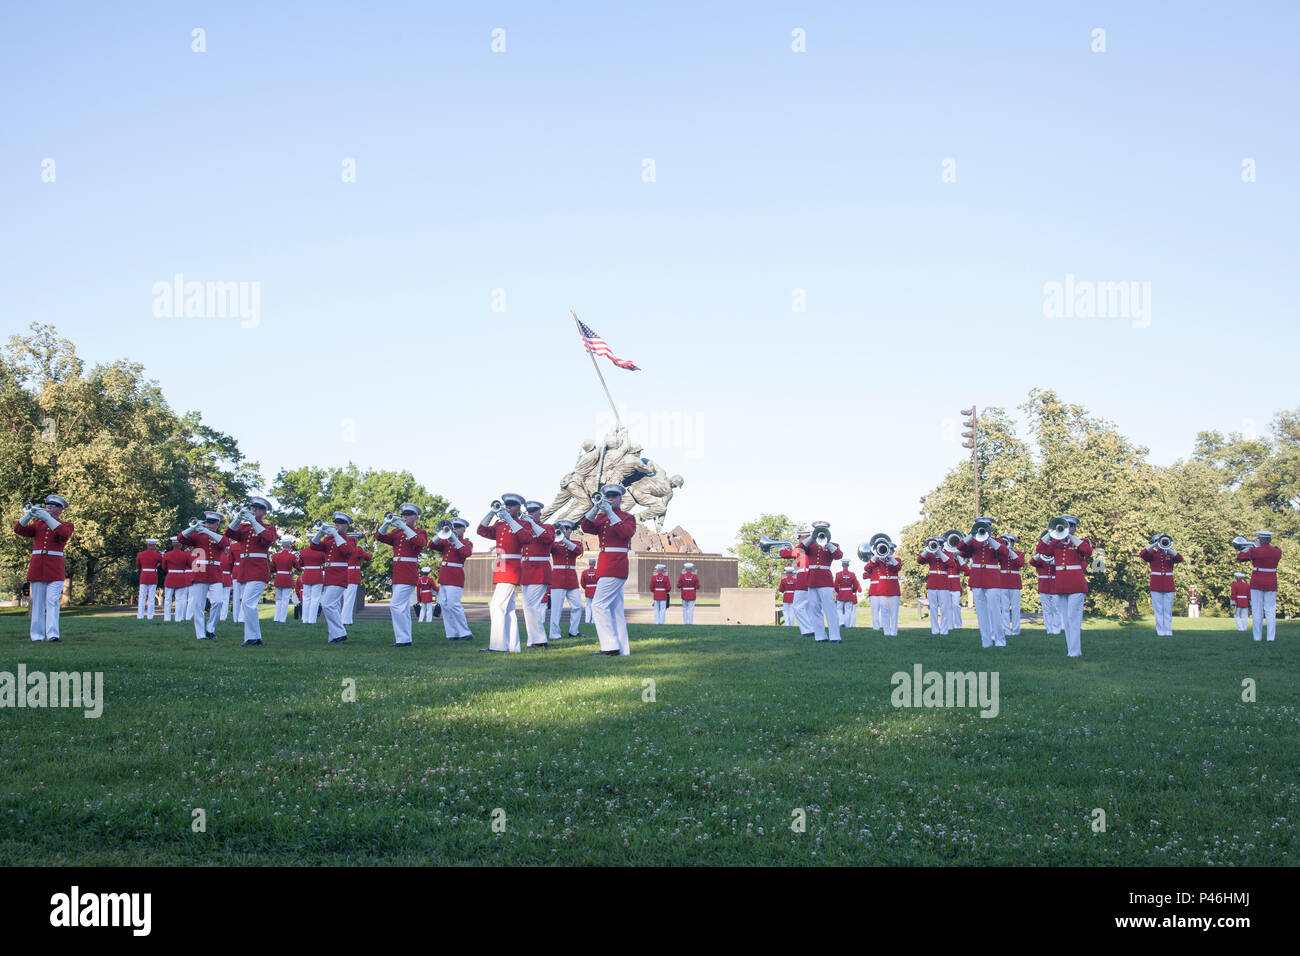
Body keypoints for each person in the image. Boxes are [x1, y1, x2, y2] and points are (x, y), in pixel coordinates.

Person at [580, 483, 636, 655]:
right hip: (606, 565)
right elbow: (586, 527)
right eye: (608, 496)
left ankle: (610, 646)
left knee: (598, 605)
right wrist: (595, 507)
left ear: (620, 498)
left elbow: (625, 533)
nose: (610, 499)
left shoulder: (627, 517)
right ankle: (622, 649)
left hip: (615, 565)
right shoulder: (602, 517)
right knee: (615, 610)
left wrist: (609, 511)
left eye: (613, 496)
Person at [13, 496, 74, 643]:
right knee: (38, 603)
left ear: (60, 509)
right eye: (48, 505)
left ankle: (53, 634)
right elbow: (19, 529)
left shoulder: (66, 525)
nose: (49, 508)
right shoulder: (38, 525)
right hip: (38, 567)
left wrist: (46, 517)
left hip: (55, 568)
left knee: (52, 601)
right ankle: (37, 636)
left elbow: (63, 534)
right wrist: (29, 514)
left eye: (53, 506)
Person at [479, 494, 533, 653]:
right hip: (502, 566)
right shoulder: (499, 524)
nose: (508, 507)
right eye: (506, 505)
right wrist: (491, 513)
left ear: (519, 508)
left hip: (512, 567)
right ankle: (512, 646)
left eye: (512, 505)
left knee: (497, 605)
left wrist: (510, 520)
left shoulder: (523, 523)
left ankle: (498, 645)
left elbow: (526, 538)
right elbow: (481, 530)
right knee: (508, 609)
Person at [1037, 516, 1092, 657]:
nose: (1068, 528)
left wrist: (1071, 537)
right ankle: (1072, 650)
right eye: (1065, 526)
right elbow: (1040, 548)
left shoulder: (1080, 542)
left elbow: (1087, 551)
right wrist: (1051, 533)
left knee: (1074, 618)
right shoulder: (1056, 543)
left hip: (1076, 584)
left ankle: (1074, 651)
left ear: (1074, 528)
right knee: (1066, 620)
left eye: (1070, 526)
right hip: (1061, 584)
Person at [227, 497, 278, 646]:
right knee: (247, 604)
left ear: (264, 512)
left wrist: (253, 520)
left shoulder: (268, 527)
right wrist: (238, 517)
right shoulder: (244, 528)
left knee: (248, 603)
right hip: (244, 569)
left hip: (258, 569)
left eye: (257, 509)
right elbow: (229, 533)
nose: (253, 510)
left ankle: (253, 637)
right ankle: (253, 637)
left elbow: (268, 538)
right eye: (252, 508)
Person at [377, 505, 427, 647]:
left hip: (408, 572)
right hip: (398, 572)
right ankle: (405, 639)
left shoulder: (420, 532)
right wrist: (387, 522)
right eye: (404, 514)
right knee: (402, 608)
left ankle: (403, 639)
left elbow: (420, 543)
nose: (405, 516)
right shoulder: (396, 533)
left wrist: (404, 527)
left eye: (409, 514)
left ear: (416, 517)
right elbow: (379, 536)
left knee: (395, 605)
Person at [179, 512, 231, 640]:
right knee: (198, 605)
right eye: (207, 522)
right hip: (200, 570)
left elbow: (225, 543)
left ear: (217, 524)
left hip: (215, 572)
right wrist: (193, 527)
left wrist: (207, 532)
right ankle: (200, 634)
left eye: (212, 522)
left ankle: (210, 628)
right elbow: (181, 538)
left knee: (218, 601)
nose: (209, 525)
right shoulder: (197, 536)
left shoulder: (219, 536)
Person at [310, 513, 358, 644]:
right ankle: (333, 636)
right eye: (336, 523)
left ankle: (340, 633)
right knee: (333, 606)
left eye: (341, 523)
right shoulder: (328, 540)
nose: (337, 525)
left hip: (339, 574)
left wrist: (336, 534)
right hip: (329, 575)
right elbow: (313, 546)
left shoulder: (350, 540)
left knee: (327, 604)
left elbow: (347, 551)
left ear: (346, 526)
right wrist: (320, 532)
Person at [959, 518, 1006, 648]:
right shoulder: (973, 542)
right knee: (981, 612)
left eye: (987, 526)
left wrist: (989, 539)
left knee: (995, 610)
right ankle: (986, 641)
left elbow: (1004, 552)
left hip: (992, 579)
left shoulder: (998, 541)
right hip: (977, 578)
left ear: (991, 527)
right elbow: (960, 548)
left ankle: (1000, 640)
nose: (984, 528)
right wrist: (972, 534)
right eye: (981, 526)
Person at [429, 518, 473, 640]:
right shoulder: (445, 541)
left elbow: (466, 552)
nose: (455, 529)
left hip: (455, 575)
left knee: (454, 605)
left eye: (458, 527)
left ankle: (465, 632)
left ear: (464, 529)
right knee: (444, 605)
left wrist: (454, 538)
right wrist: (441, 533)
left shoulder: (466, 542)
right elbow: (431, 544)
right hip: (444, 575)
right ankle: (452, 633)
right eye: (453, 527)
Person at [519, 501, 555, 648]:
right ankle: (534, 640)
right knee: (528, 607)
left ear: (540, 513)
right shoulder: (524, 529)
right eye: (530, 511)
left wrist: (532, 524)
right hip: (526, 570)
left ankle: (539, 639)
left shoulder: (547, 527)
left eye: (535, 512)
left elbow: (548, 539)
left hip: (540, 570)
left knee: (530, 606)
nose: (532, 514)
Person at [801, 523, 843, 643]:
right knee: (814, 608)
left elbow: (838, 555)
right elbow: (800, 548)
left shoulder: (833, 545)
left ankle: (835, 636)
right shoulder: (811, 544)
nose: (820, 532)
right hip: (812, 578)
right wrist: (811, 537)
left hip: (825, 579)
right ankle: (820, 636)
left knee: (830, 609)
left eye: (822, 530)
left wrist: (827, 543)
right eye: (817, 530)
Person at [1237, 531, 1280, 642]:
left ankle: (1257, 637)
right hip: (1271, 583)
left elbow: (1240, 557)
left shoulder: (1255, 551)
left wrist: (1247, 547)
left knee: (1257, 611)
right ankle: (1271, 638)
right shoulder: (1277, 551)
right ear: (1269, 540)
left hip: (1257, 582)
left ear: (1260, 540)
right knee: (1270, 611)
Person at [548, 519, 586, 641]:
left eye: (568, 529)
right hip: (558, 578)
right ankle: (554, 633)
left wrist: (564, 540)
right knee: (556, 609)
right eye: (564, 529)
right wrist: (556, 537)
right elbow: (547, 548)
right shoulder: (554, 543)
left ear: (570, 531)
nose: (566, 532)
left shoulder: (575, 543)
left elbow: (578, 551)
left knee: (578, 606)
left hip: (571, 579)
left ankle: (573, 631)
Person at [1139, 535, 1183, 636]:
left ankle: (1168, 630)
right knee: (1158, 609)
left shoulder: (1170, 554)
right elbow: (1142, 554)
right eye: (1159, 542)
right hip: (1156, 584)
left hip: (1168, 584)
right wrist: (1155, 544)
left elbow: (1180, 558)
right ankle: (1160, 631)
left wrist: (1169, 548)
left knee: (1167, 609)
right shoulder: (1153, 554)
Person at [777, 535, 814, 637]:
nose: (799, 541)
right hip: (813, 576)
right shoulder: (814, 547)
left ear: (803, 538)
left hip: (803, 577)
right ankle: (813, 628)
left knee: (797, 607)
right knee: (809, 607)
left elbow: (784, 554)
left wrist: (781, 548)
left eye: (800, 538)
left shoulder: (801, 549)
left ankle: (808, 630)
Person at [863, 541, 902, 636]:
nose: (890, 551)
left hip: (894, 588)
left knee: (894, 612)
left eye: (891, 549)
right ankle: (887, 631)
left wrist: (890, 557)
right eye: (889, 549)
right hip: (883, 587)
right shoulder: (878, 561)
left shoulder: (896, 559)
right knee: (884, 611)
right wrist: (876, 555)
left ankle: (894, 632)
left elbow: (898, 567)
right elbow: (867, 568)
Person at [917, 539, 953, 635]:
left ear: (942, 545)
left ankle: (944, 630)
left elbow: (951, 564)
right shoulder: (930, 554)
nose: (937, 546)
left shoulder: (947, 554)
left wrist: (940, 553)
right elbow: (919, 560)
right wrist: (928, 549)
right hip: (932, 583)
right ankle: (935, 629)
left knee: (944, 608)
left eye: (939, 544)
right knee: (933, 608)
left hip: (943, 583)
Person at [342, 534, 372, 627]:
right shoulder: (357, 549)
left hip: (343, 574)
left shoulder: (343, 548)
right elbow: (368, 557)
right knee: (349, 599)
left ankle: (345, 619)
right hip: (353, 575)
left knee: (345, 598)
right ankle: (345, 620)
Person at [999, 533, 1025, 637]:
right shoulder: (1001, 554)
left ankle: (1015, 630)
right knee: (1004, 608)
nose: (1009, 543)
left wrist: (1010, 552)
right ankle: (1006, 630)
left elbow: (1021, 563)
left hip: (1014, 583)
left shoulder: (1019, 553)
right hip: (1003, 582)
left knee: (1016, 608)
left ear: (1013, 543)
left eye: (1010, 541)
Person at [161, 536, 191, 623]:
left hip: (170, 577)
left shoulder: (167, 554)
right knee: (180, 599)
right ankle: (178, 618)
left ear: (172, 544)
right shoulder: (185, 554)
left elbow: (164, 567)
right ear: (180, 545)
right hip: (181, 577)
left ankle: (167, 618)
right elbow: (189, 565)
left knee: (167, 599)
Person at [1030, 539, 1058, 634]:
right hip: (1044, 586)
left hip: (1055, 586)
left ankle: (1056, 628)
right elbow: (1032, 562)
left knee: (1056, 608)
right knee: (1046, 609)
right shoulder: (1040, 558)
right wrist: (1040, 553)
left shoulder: (1056, 557)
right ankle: (1048, 629)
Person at [270, 537, 300, 624]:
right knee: (285, 599)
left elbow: (272, 568)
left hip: (278, 577)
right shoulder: (292, 556)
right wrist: (297, 560)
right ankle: (282, 619)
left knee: (278, 599)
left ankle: (276, 617)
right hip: (287, 578)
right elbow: (297, 567)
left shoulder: (275, 556)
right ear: (289, 546)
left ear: (282, 546)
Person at [135, 537, 163, 620]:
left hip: (144, 576)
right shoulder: (158, 555)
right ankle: (150, 616)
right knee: (151, 598)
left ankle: (140, 615)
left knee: (142, 597)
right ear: (154, 545)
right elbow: (162, 564)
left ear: (147, 545)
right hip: (153, 576)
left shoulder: (140, 554)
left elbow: (138, 566)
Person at [298, 541, 324, 624]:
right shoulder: (321, 551)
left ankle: (304, 619)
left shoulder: (303, 551)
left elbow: (300, 563)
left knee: (306, 598)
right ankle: (312, 620)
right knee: (315, 599)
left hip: (307, 575)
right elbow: (325, 560)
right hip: (317, 575)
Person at [834, 558, 861, 628]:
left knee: (839, 609)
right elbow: (855, 585)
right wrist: (852, 591)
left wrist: (838, 592)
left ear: (842, 565)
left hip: (841, 593)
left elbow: (835, 586)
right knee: (848, 610)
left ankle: (841, 622)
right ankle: (847, 625)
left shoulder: (838, 574)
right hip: (849, 593)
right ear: (848, 565)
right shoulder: (852, 574)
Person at [228, 538, 245, 623]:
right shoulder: (247, 545)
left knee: (236, 597)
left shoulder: (233, 546)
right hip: (245, 570)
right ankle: (242, 617)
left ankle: (235, 618)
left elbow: (230, 561)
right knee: (245, 596)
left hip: (235, 570)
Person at [581, 556, 600, 623]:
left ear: (589, 563)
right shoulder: (598, 571)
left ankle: (587, 620)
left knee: (588, 606)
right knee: (594, 606)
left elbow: (582, 583)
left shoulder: (584, 572)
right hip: (596, 590)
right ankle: (593, 620)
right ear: (594, 563)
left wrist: (586, 588)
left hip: (588, 590)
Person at [218, 545, 234, 621]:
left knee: (221, 598)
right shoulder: (229, 557)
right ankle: (223, 616)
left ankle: (221, 615)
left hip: (221, 577)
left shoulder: (219, 556)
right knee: (225, 598)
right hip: (226, 577)